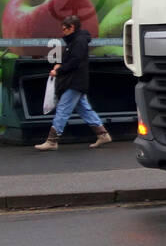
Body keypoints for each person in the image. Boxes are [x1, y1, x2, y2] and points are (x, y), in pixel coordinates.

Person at [35, 15, 112, 150]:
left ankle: (52, 141)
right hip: (77, 81)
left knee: (63, 109)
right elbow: (73, 60)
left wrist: (58, 71)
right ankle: (102, 134)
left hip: (74, 82)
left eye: (64, 29)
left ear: (72, 27)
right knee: (84, 109)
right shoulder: (77, 41)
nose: (62, 31)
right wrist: (60, 65)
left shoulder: (78, 41)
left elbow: (75, 61)